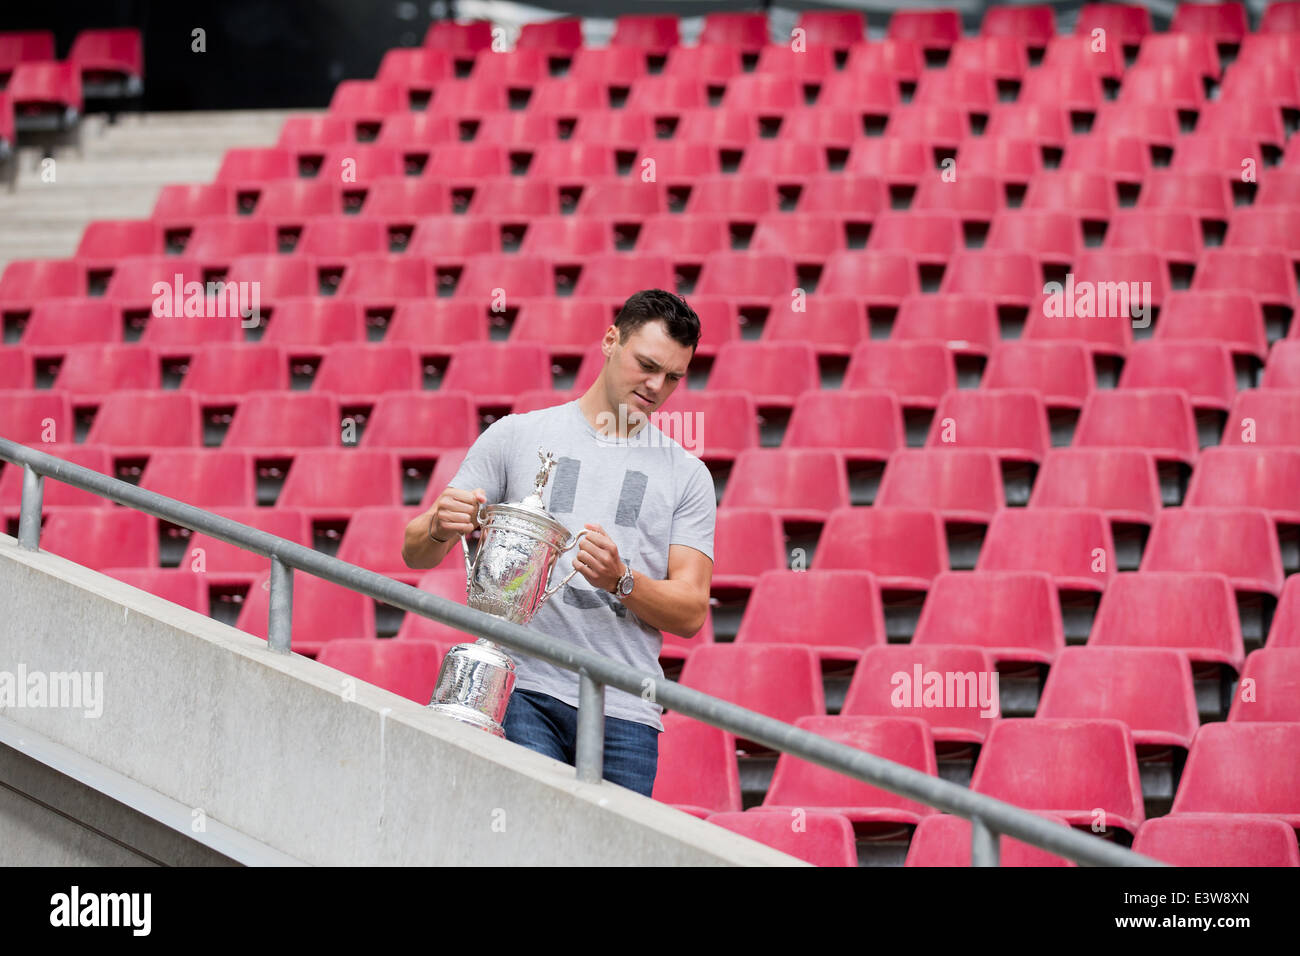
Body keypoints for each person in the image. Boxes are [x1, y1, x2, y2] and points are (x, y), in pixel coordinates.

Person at [401, 289, 715, 797]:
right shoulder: (516, 436)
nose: (657, 386)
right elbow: (416, 551)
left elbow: (690, 611)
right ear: (611, 341)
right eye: (647, 365)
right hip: (520, 685)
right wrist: (439, 524)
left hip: (625, 706)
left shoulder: (689, 475)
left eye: (674, 376)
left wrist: (622, 582)